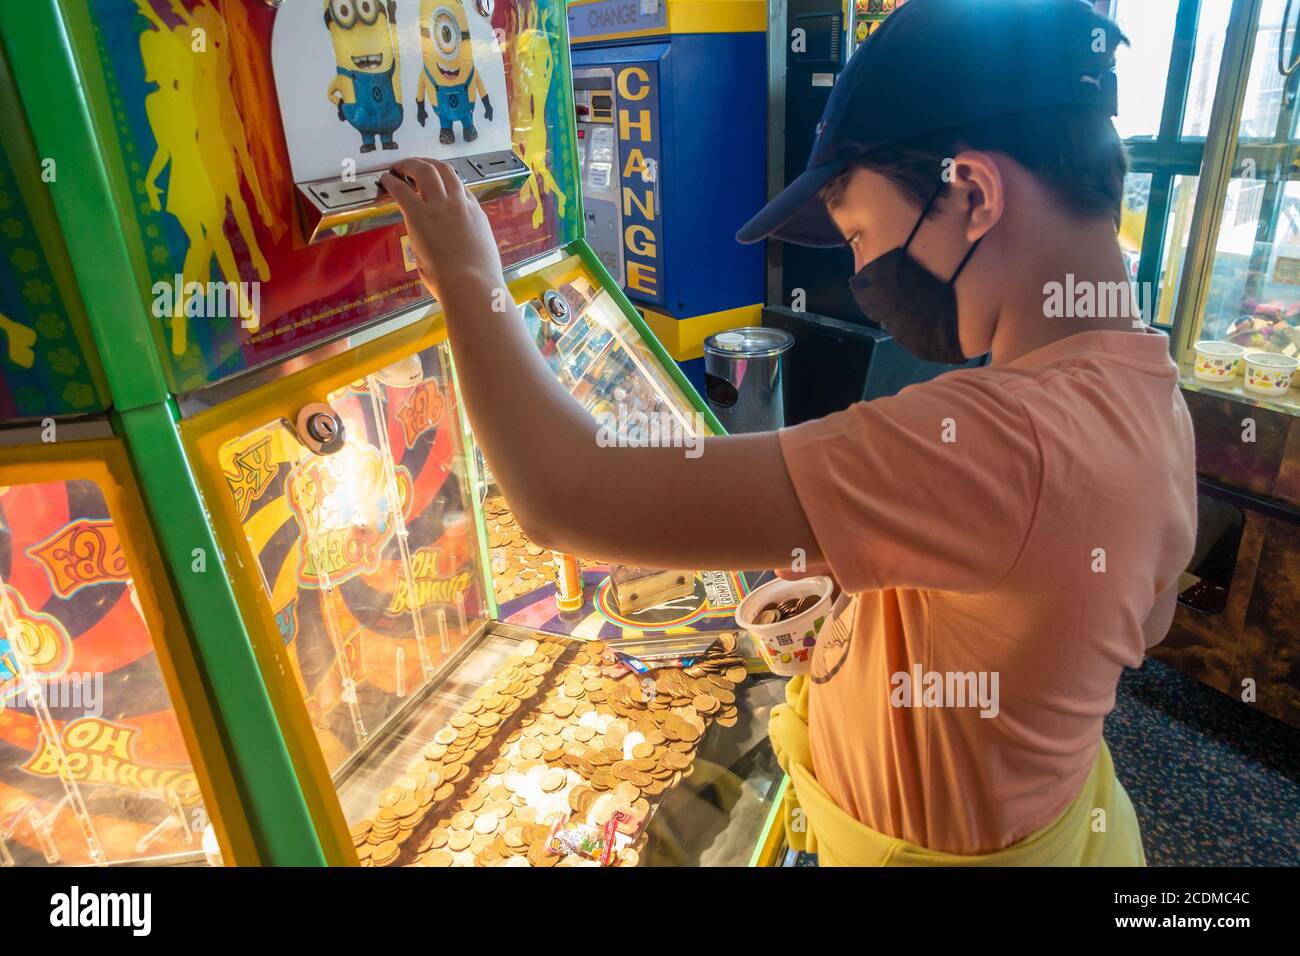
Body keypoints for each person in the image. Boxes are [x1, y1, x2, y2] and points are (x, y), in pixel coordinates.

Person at [383, 0, 1196, 865]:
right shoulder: (1148, 390)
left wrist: (472, 279)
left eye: (858, 236)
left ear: (973, 192)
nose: (859, 273)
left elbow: (566, 492)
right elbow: (1137, 623)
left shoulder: (997, 438)